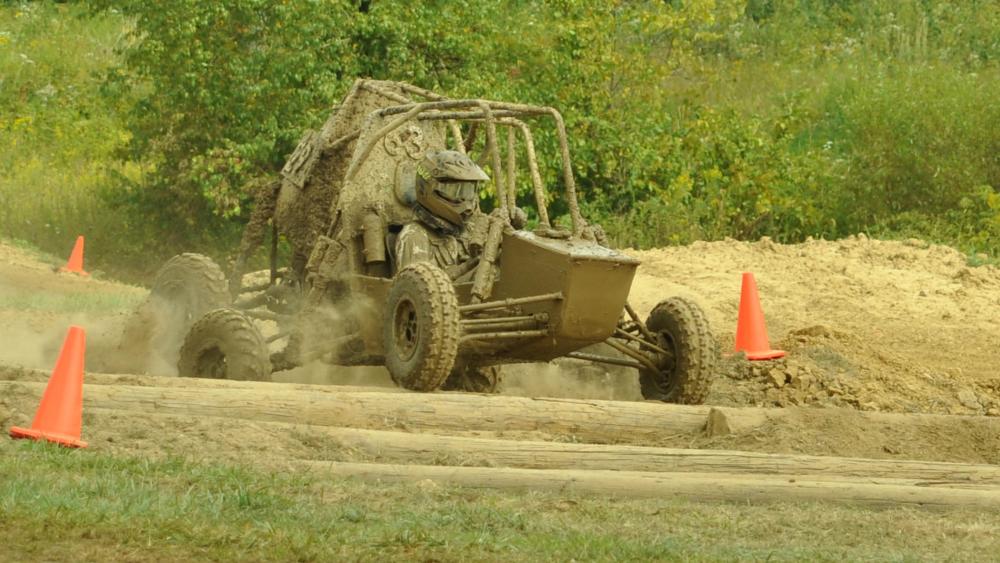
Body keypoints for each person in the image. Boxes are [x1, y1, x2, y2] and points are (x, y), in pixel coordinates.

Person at [395, 150, 489, 274]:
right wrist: (464, 269)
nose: (463, 199)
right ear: (429, 188)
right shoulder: (414, 236)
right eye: (453, 191)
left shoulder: (470, 230)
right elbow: (416, 286)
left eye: (468, 190)